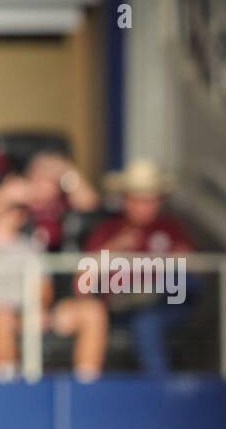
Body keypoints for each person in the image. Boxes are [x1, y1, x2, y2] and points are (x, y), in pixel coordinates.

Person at [78, 159, 193, 377]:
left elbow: (194, 274)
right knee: (145, 323)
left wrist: (178, 263)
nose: (145, 206)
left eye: (152, 200)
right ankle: (159, 391)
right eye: (139, 199)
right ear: (126, 200)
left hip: (164, 305)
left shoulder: (171, 229)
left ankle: (161, 393)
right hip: (121, 308)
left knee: (151, 319)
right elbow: (81, 283)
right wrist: (112, 250)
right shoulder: (108, 231)